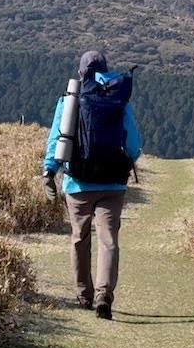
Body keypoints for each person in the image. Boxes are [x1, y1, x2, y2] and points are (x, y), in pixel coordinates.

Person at [42, 50, 142, 321]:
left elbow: (57, 137)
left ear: (80, 73)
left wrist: (49, 171)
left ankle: (84, 294)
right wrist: (128, 159)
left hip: (78, 182)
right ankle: (103, 295)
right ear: (107, 70)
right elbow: (132, 144)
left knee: (79, 238)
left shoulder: (70, 100)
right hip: (113, 183)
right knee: (109, 240)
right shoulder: (119, 98)